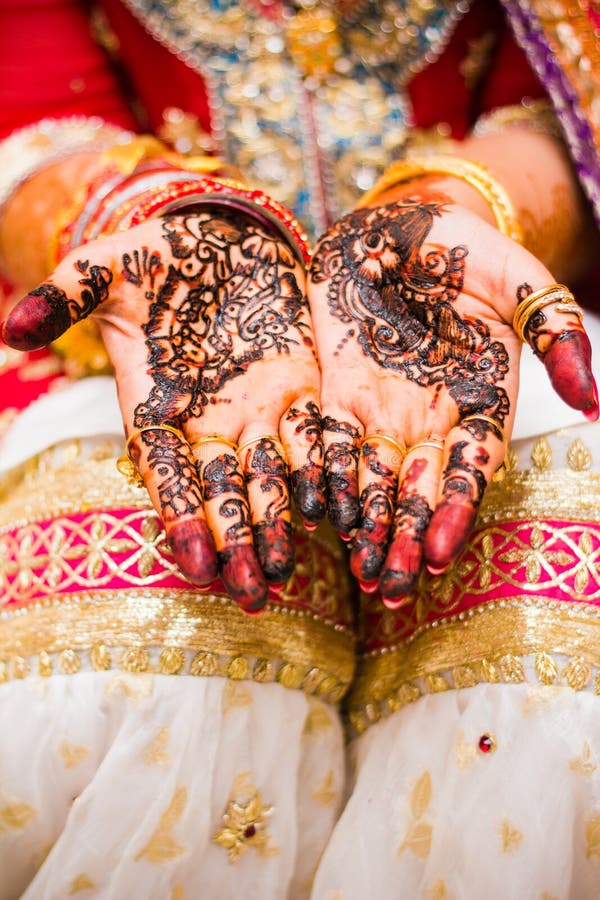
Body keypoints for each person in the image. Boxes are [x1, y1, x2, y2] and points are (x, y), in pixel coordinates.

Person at [0, 1, 598, 898]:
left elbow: (565, 105)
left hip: (481, 304)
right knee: (141, 654)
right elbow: (31, 115)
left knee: (560, 621)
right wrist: (171, 222)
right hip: (140, 343)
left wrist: (449, 210)